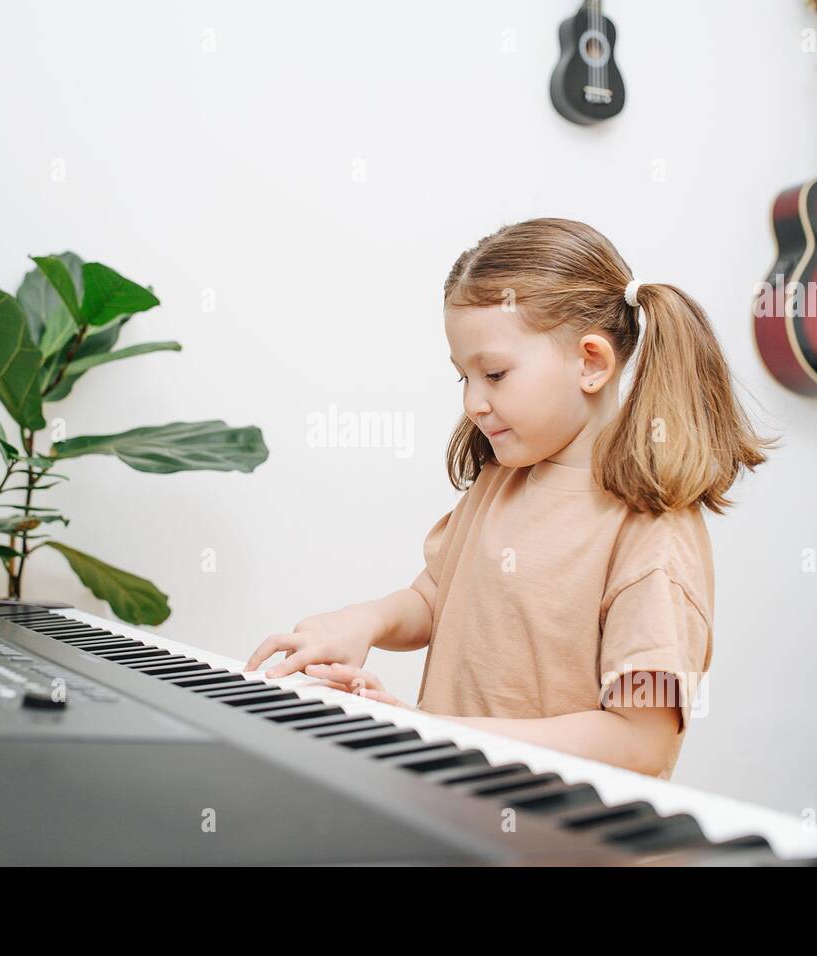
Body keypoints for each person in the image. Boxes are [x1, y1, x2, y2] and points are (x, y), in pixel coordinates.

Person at [244, 218, 776, 779]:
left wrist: (436, 731)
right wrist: (365, 621)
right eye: (463, 378)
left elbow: (641, 745)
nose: (474, 401)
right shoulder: (502, 478)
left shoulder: (652, 533)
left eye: (494, 374)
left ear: (591, 363)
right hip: (456, 810)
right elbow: (435, 599)